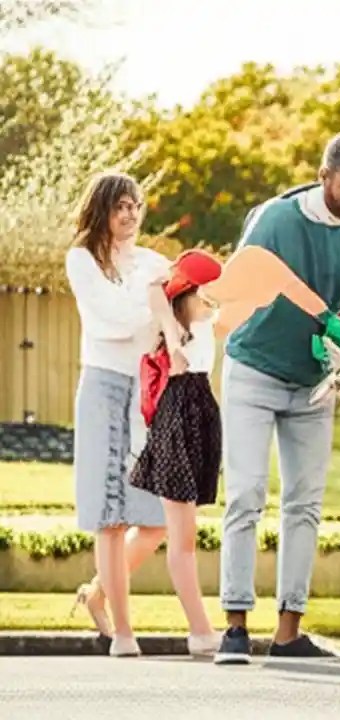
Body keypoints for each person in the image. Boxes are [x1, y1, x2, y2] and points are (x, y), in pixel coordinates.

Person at [214, 132, 340, 665]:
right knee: (245, 495)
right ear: (324, 176)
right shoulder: (275, 219)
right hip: (254, 370)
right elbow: (240, 286)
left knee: (305, 504)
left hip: (314, 382)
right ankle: (236, 628)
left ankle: (289, 633)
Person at [65, 172, 185, 657]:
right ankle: (123, 633)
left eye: (136, 205)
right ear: (102, 210)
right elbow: (107, 322)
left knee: (155, 521)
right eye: (121, 206)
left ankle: (95, 593)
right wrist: (156, 306)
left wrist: (164, 307)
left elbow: (186, 308)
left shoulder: (153, 262)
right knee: (110, 518)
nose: (131, 214)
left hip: (145, 391)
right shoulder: (81, 259)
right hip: (102, 386)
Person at [128, 250, 225, 657]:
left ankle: (97, 592)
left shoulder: (208, 322)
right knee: (182, 537)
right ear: (187, 296)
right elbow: (155, 288)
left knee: (176, 531)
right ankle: (201, 632)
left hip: (199, 415)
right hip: (177, 421)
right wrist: (170, 328)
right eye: (203, 294)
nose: (211, 301)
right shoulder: (167, 325)